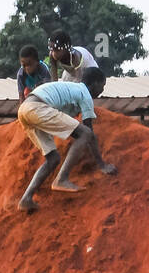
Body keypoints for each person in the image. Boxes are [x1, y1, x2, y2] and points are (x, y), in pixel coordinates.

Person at [17, 71, 117, 211]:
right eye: (102, 85)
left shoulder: (72, 89)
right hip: (37, 107)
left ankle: (26, 199)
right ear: (95, 84)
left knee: (53, 158)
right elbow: (88, 132)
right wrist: (102, 164)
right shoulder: (84, 94)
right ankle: (61, 179)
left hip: (24, 110)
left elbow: (75, 131)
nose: (102, 90)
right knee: (85, 133)